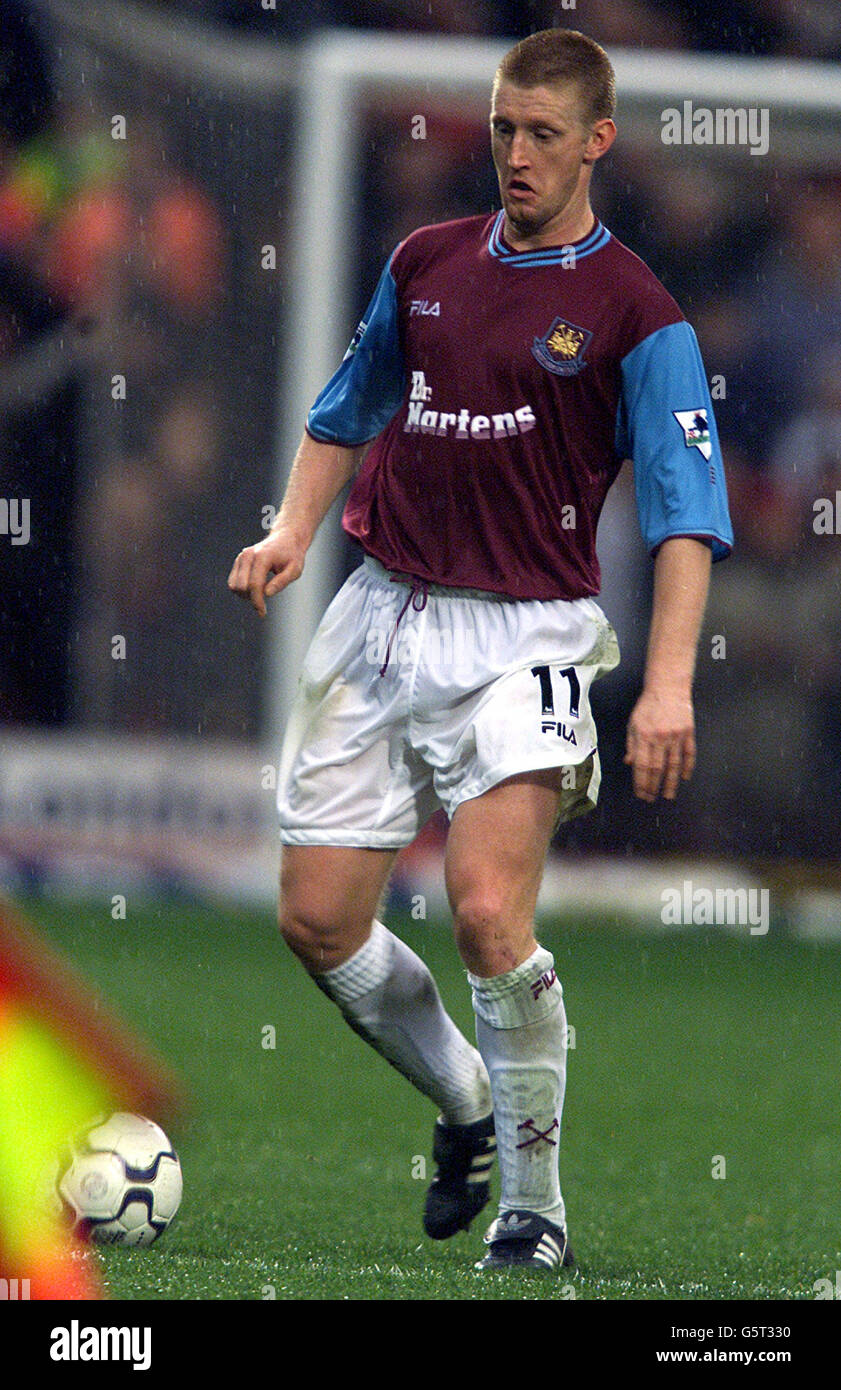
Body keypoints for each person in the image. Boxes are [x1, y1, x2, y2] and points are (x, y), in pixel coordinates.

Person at [228, 27, 733, 1273]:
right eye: (504, 126)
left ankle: (536, 1207)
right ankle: (462, 1100)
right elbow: (345, 409)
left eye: (542, 133)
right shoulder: (426, 262)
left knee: (488, 910)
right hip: (383, 608)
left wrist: (664, 685)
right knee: (316, 921)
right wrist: (294, 529)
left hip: (527, 634)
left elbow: (685, 518)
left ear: (596, 143)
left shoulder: (638, 313)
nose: (514, 151)